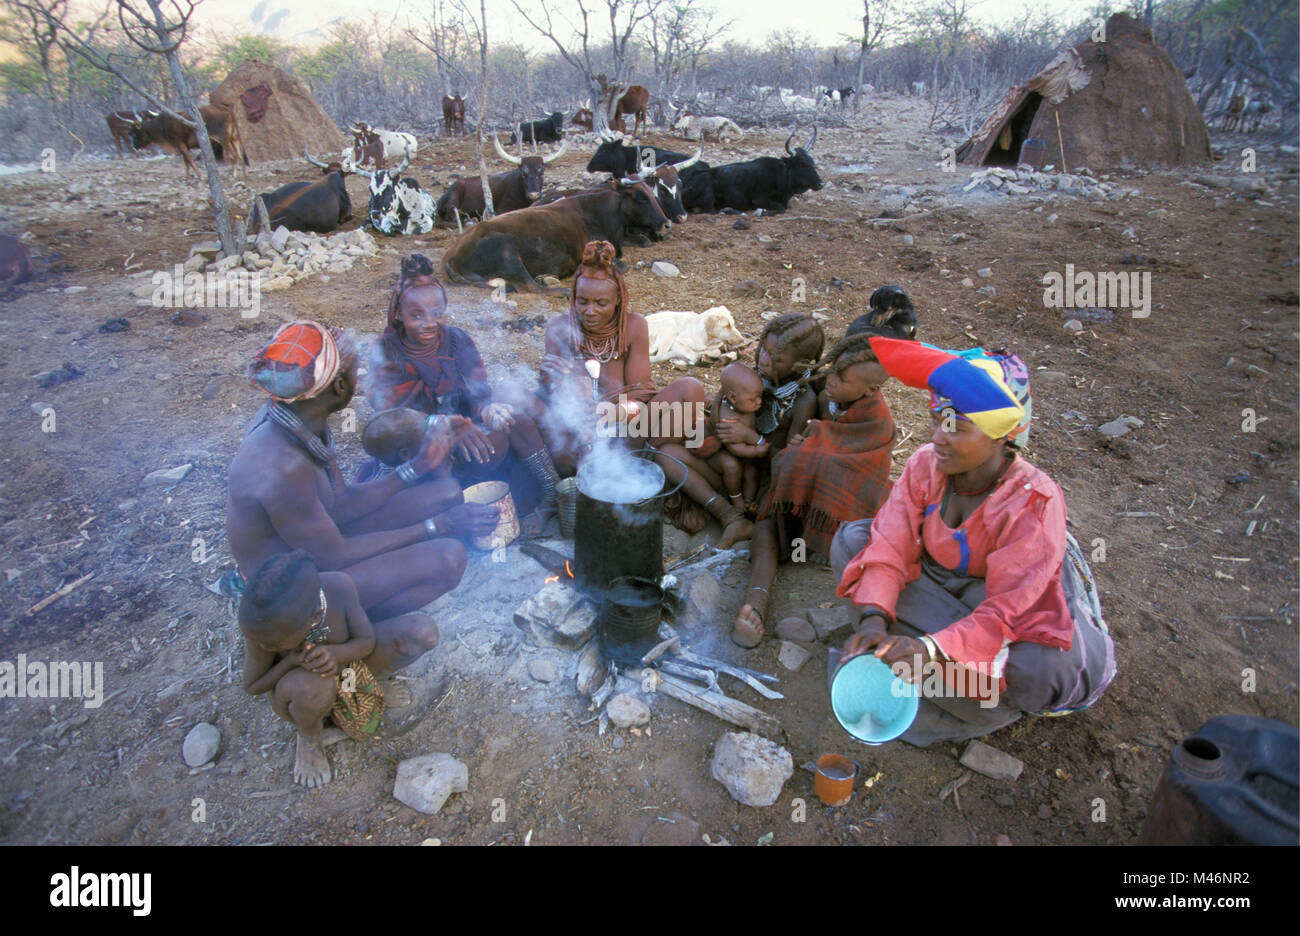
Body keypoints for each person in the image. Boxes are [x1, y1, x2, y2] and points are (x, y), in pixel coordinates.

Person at [832, 338, 1116, 745]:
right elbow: (890, 543)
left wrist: (929, 649)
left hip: (1008, 603)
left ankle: (958, 694)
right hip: (942, 582)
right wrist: (876, 618)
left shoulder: (1033, 501)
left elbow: (1008, 611)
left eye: (957, 428)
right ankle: (944, 678)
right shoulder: (925, 466)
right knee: (851, 543)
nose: (938, 438)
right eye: (936, 421)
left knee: (1047, 668)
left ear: (1004, 437)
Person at [226, 320, 496, 623]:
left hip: (316, 545)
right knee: (449, 558)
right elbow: (334, 556)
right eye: (357, 367)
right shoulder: (281, 466)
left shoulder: (299, 414)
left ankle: (362, 605)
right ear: (340, 386)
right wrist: (438, 526)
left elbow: (340, 504)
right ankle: (342, 632)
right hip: (290, 595)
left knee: (445, 493)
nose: (363, 374)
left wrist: (417, 466)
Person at [535, 240, 752, 546]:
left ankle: (647, 463)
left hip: (628, 431)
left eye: (601, 303)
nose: (589, 311)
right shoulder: (559, 329)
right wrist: (551, 381)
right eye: (581, 301)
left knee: (690, 388)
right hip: (579, 439)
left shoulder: (634, 327)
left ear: (618, 301)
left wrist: (612, 411)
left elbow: (641, 395)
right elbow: (556, 406)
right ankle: (645, 470)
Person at [368, 254, 560, 513]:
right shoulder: (386, 351)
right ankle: (450, 510)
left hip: (466, 428)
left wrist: (486, 410)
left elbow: (477, 390)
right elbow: (390, 420)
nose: (429, 323)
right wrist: (442, 426)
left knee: (515, 419)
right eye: (417, 315)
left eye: (437, 313)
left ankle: (552, 492)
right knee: (429, 471)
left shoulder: (457, 340)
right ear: (399, 314)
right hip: (415, 444)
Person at [240, 551, 434, 788]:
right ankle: (310, 736)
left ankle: (369, 689)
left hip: (349, 674)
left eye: (275, 644)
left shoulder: (338, 587)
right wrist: (291, 660)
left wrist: (335, 654)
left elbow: (365, 641)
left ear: (315, 618)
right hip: (302, 691)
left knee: (422, 632)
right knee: (312, 686)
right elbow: (252, 686)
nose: (265, 647)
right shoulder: (263, 628)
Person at [728, 313, 827, 644]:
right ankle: (729, 515)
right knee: (684, 454)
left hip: (772, 476)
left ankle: (755, 605)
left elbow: (788, 460)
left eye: (776, 358)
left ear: (801, 366)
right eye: (763, 351)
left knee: (767, 528)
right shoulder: (757, 379)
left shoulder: (803, 400)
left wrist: (753, 440)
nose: (765, 361)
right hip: (741, 469)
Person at [696, 363, 767, 515]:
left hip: (745, 449)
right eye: (754, 399)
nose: (759, 402)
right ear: (733, 398)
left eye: (760, 396)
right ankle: (737, 498)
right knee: (732, 468)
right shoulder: (728, 420)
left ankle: (749, 501)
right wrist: (756, 450)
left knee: (751, 471)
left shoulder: (741, 401)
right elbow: (734, 448)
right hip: (726, 450)